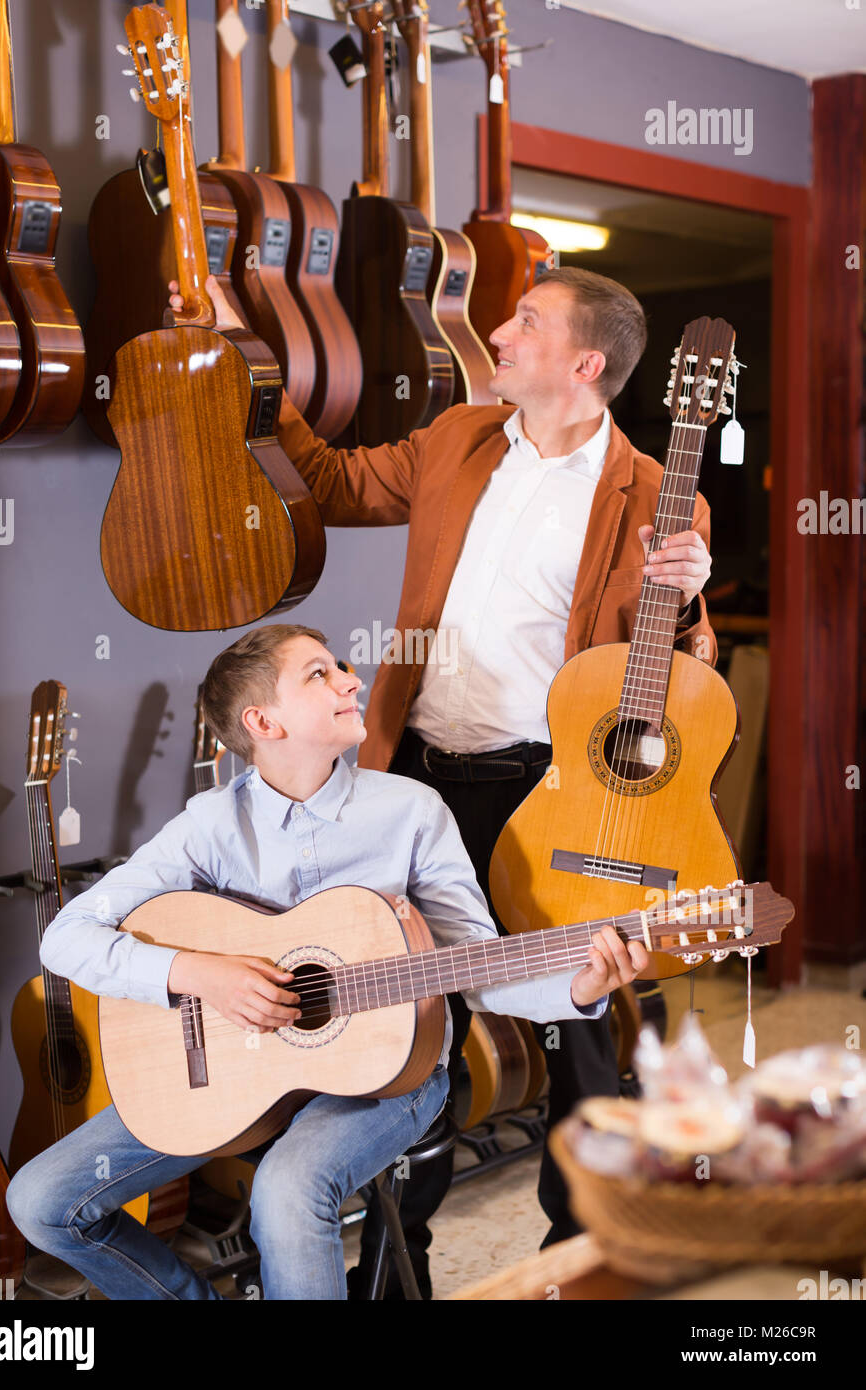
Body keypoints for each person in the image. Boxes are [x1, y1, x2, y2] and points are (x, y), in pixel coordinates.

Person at [169, 266, 717, 1291]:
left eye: (526, 322)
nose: (496, 332)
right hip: (416, 779)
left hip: (553, 791)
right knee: (408, 1026)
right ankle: (394, 1263)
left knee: (579, 1025)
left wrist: (686, 603)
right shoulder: (458, 439)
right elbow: (325, 480)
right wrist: (245, 350)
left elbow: (681, 684)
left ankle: (579, 1256)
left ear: (583, 364)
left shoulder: (653, 491)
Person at [6, 624, 648, 1301]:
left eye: (341, 667)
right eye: (319, 674)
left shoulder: (411, 810)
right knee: (41, 1201)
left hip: (388, 1077)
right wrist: (199, 974)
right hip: (232, 1076)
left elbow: (474, 964)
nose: (352, 681)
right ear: (263, 721)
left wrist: (577, 986)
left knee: (287, 1190)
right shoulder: (207, 827)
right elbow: (67, 936)